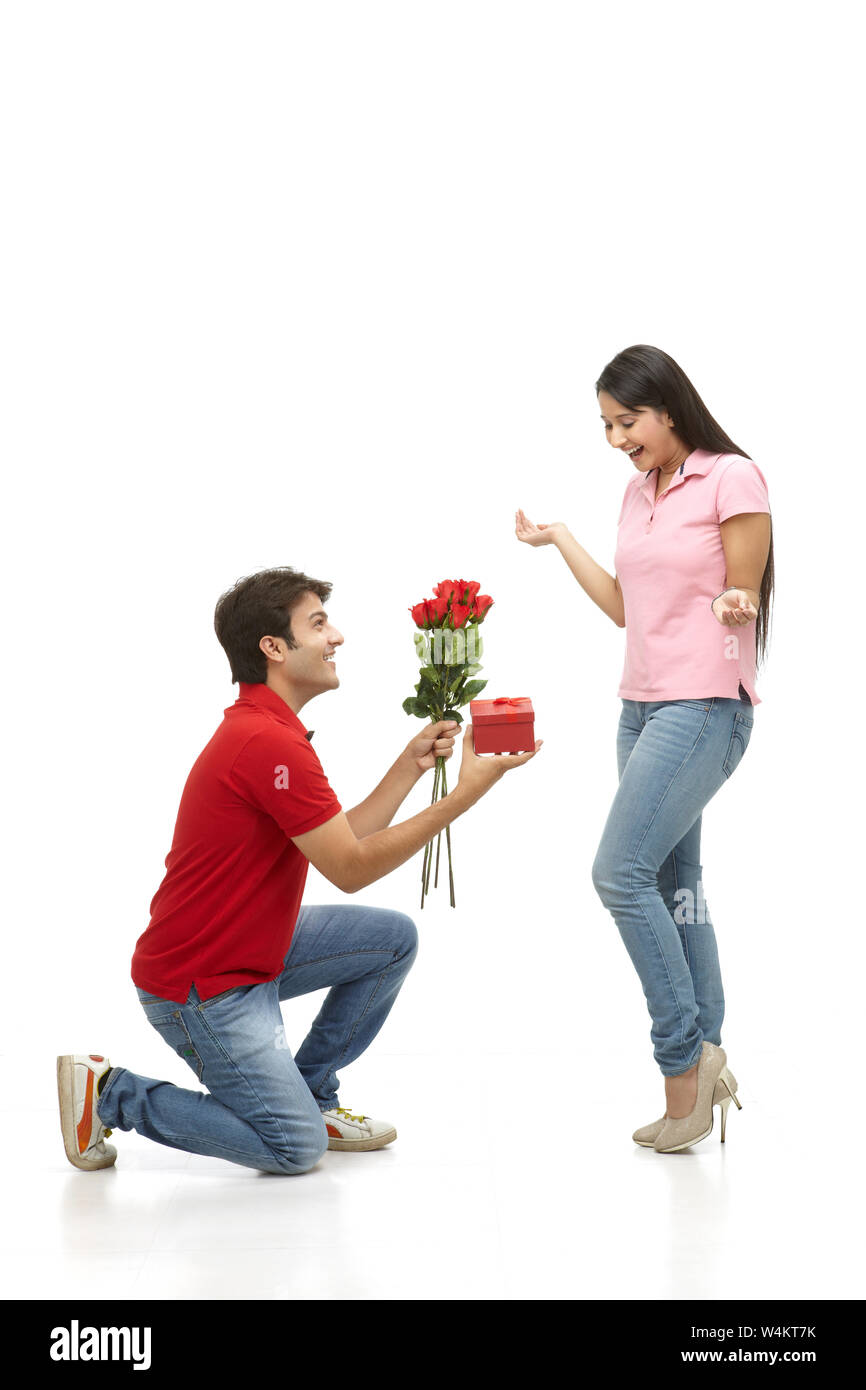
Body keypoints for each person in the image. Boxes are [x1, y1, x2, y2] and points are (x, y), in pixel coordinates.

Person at [58, 568, 541, 1175]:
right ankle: (108, 1093)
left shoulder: (271, 731)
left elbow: (339, 838)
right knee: (294, 1147)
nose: (335, 636)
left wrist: (410, 768)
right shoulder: (267, 742)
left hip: (251, 948)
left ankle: (310, 1092)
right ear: (274, 648)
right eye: (318, 624)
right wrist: (464, 795)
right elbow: (350, 869)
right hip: (202, 986)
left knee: (392, 941)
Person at [515, 343, 773, 1153]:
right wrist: (562, 540)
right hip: (640, 706)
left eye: (627, 420)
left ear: (668, 408)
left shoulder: (731, 475)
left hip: (703, 705)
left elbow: (744, 583)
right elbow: (628, 608)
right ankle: (707, 1055)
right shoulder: (636, 493)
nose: (616, 437)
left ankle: (683, 1064)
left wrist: (735, 600)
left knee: (618, 873)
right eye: (606, 424)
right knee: (674, 884)